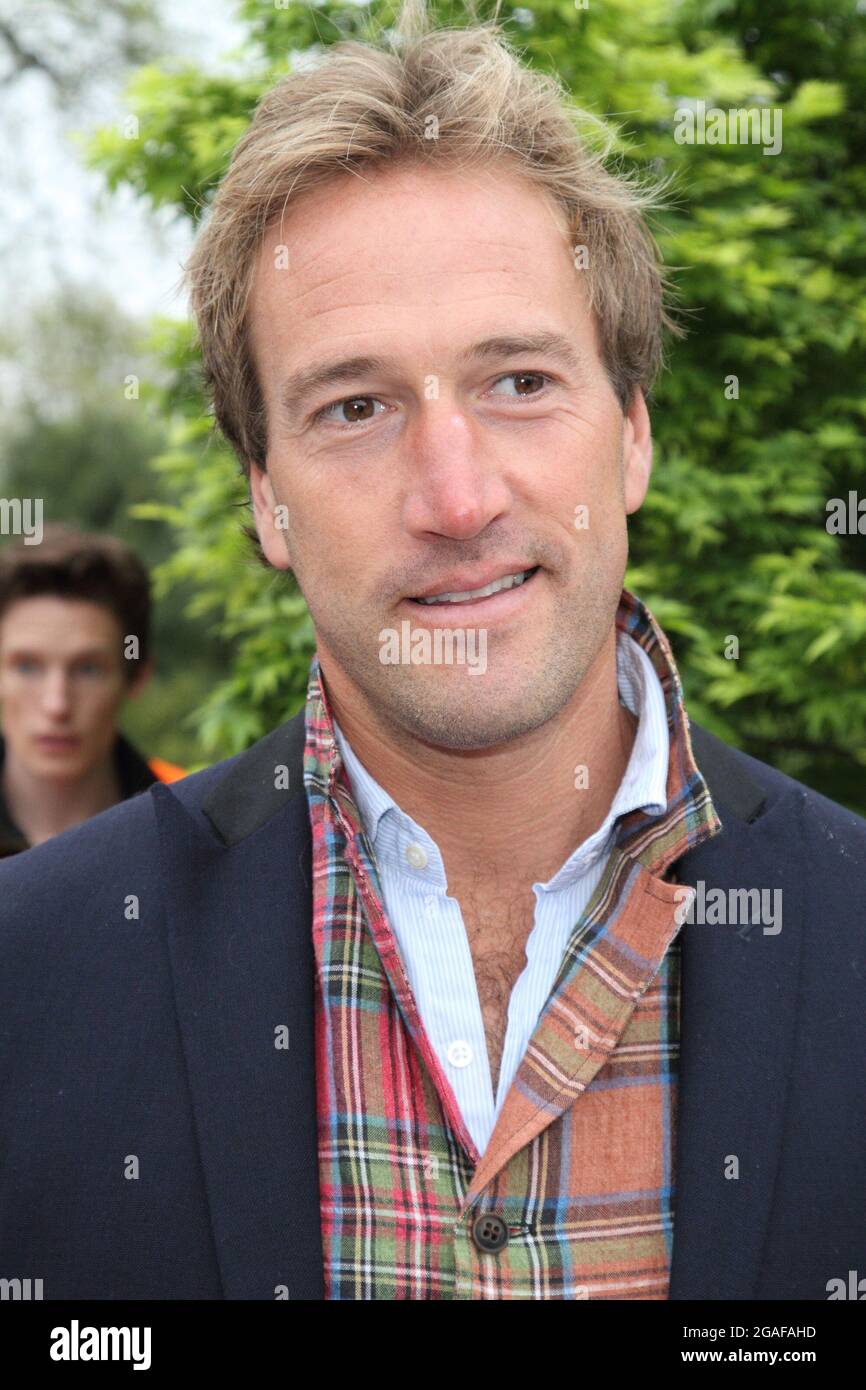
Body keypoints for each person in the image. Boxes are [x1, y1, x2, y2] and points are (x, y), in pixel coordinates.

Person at [0, 0, 863, 1301]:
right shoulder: (31, 976)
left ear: (632, 434)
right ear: (265, 499)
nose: (456, 499)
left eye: (519, 381)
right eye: (354, 406)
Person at [0, 526, 185, 856]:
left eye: (88, 669)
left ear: (137, 676)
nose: (56, 704)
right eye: (26, 667)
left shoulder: (192, 819)